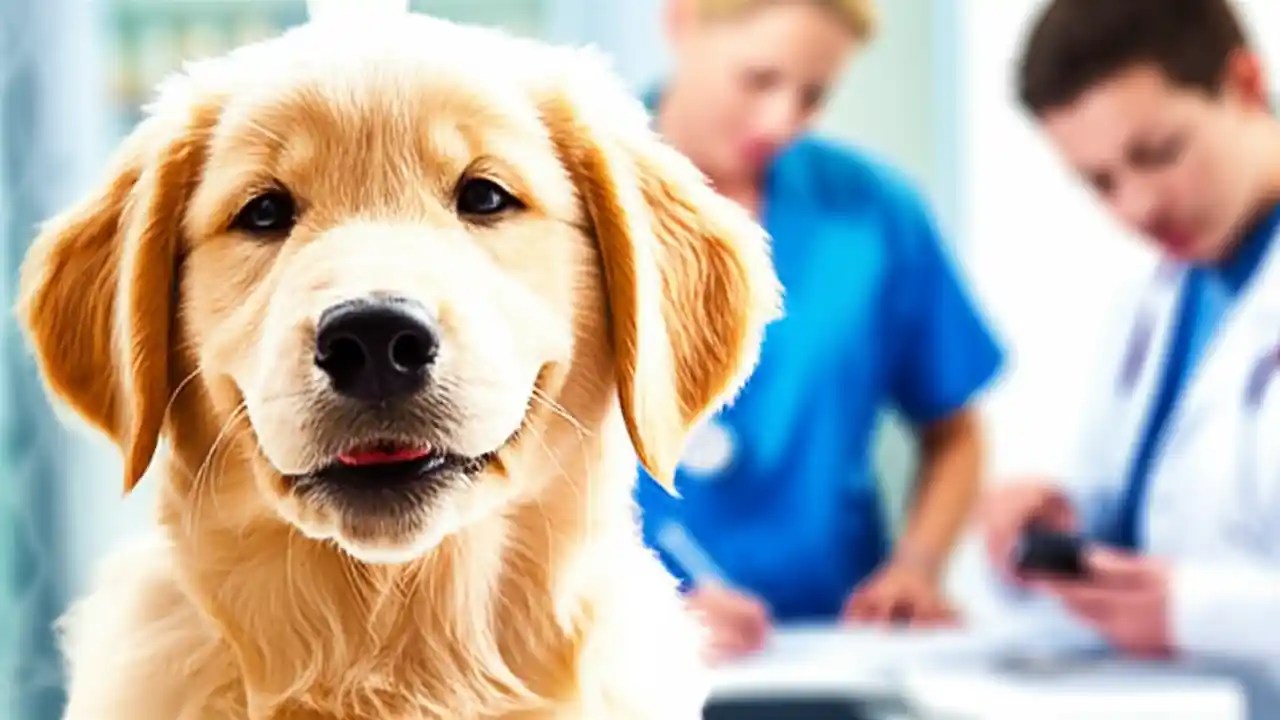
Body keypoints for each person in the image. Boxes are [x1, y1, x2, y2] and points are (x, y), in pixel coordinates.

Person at [635, 0, 1005, 662]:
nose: (782, 120)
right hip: (610, 662)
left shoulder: (874, 212)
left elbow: (956, 433)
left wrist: (917, 567)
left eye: (814, 95)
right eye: (758, 79)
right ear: (682, 21)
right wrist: (615, 609)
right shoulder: (559, 188)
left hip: (828, 654)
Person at [983, 0, 1280, 661]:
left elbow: (1197, 598)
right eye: (1099, 182)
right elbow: (1147, 529)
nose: (1137, 206)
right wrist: (1059, 530)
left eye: (1160, 153)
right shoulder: (1153, 304)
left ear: (1247, 85)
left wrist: (1201, 614)